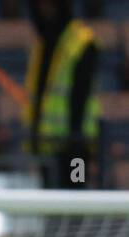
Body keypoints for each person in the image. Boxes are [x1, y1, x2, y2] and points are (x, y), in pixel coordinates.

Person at [25, 0, 100, 188]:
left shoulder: (82, 42)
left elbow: (81, 96)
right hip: (47, 145)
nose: (45, 8)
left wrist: (79, 145)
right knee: (50, 206)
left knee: (78, 197)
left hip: (78, 148)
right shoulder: (42, 43)